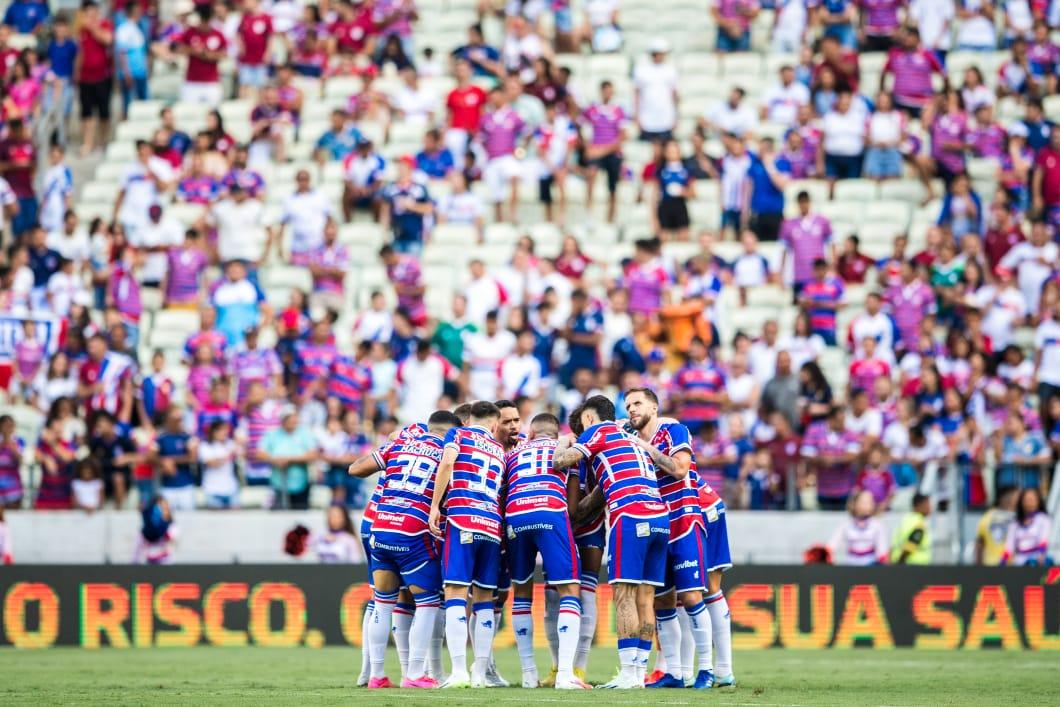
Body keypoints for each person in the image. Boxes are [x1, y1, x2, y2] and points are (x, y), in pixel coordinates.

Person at [552, 395, 673, 690]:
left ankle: (627, 674)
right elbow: (594, 502)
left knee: (623, 595)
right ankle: (637, 674)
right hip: (659, 517)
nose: (581, 434)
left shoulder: (599, 430)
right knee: (646, 598)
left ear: (590, 419)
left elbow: (560, 462)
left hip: (630, 516)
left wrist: (564, 443)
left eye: (582, 426)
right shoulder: (629, 440)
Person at [347, 410, 460, 688]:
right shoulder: (448, 452)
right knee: (428, 601)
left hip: (380, 525)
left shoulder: (401, 444)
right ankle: (414, 673)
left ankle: (377, 676)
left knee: (383, 602)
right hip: (413, 530)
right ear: (451, 432)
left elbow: (356, 469)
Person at [625, 388, 717, 690]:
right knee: (662, 601)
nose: (632, 410)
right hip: (657, 526)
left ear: (654, 406)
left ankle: (706, 669)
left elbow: (680, 469)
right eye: (628, 406)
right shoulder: (631, 441)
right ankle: (675, 672)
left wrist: (646, 449)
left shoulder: (673, 429)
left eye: (638, 403)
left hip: (684, 520)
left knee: (691, 596)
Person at [503, 413, 590, 690]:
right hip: (550, 511)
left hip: (515, 514)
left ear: (531, 433)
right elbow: (573, 504)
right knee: (569, 590)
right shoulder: (565, 448)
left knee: (522, 592)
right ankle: (565, 674)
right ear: (556, 433)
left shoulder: (514, 453)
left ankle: (529, 674)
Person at [426, 402, 505, 688]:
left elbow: (447, 463)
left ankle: (458, 670)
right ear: (495, 425)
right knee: (485, 599)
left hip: (463, 519)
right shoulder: (499, 450)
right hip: (492, 526)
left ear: (469, 419)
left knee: (456, 594)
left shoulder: (458, 436)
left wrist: (435, 506)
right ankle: (480, 674)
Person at [262, 409, 318, 509]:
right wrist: (274, 459)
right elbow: (259, 453)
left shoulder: (304, 433)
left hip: (300, 484)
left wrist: (289, 460)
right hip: (278, 483)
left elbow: (313, 455)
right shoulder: (273, 434)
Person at [827, 490, 889, 566]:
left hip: (871, 566)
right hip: (851, 565)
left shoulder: (877, 525)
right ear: (854, 504)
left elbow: (882, 550)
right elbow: (831, 546)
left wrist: (882, 561)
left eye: (870, 502)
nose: (868, 505)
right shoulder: (846, 525)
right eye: (864, 502)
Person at [1002, 488, 1052, 566]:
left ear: (1038, 501)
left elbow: (1044, 540)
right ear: (1021, 502)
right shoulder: (1015, 523)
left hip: (1037, 560)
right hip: (1019, 561)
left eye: (1033, 499)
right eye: (1027, 500)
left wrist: (1041, 555)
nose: (1030, 502)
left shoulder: (1043, 519)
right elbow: (1009, 547)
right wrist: (1003, 562)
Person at [975, 485, 1018, 565]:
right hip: (1004, 565)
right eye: (1018, 497)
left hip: (994, 564)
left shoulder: (986, 516)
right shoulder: (988, 516)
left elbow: (979, 544)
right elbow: (980, 543)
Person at [890, 492, 932, 564]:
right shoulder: (919, 523)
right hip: (914, 566)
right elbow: (911, 544)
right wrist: (900, 562)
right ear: (919, 505)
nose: (930, 508)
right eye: (927, 504)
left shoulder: (906, 519)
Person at [133, 496, 177, 564]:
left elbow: (171, 541)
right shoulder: (145, 530)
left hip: (165, 562)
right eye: (160, 508)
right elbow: (136, 555)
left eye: (165, 508)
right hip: (148, 563)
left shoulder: (172, 527)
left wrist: (163, 525)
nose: (163, 510)